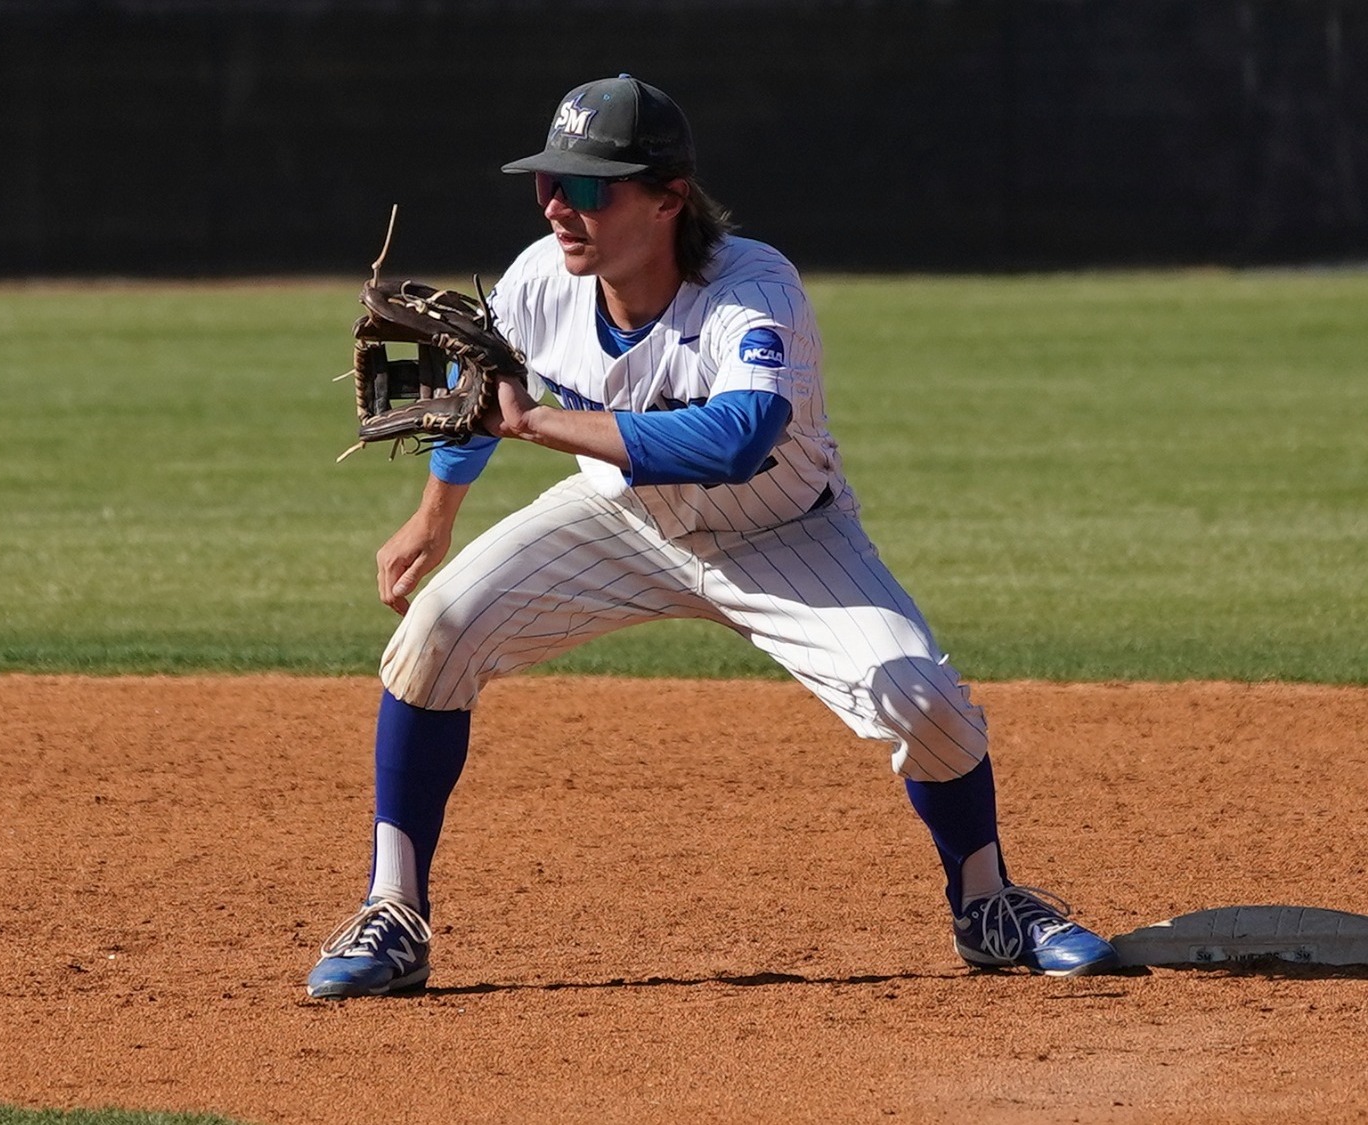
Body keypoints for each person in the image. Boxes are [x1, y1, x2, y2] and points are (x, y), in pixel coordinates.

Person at [305, 74, 1121, 998]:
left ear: (668, 198)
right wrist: (432, 518)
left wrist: (539, 427)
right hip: (616, 518)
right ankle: (394, 911)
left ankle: (990, 903)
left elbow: (738, 441)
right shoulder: (541, 279)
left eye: (587, 186)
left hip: (777, 531)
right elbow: (485, 394)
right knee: (435, 633)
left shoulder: (753, 289)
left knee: (920, 700)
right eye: (547, 182)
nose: (557, 205)